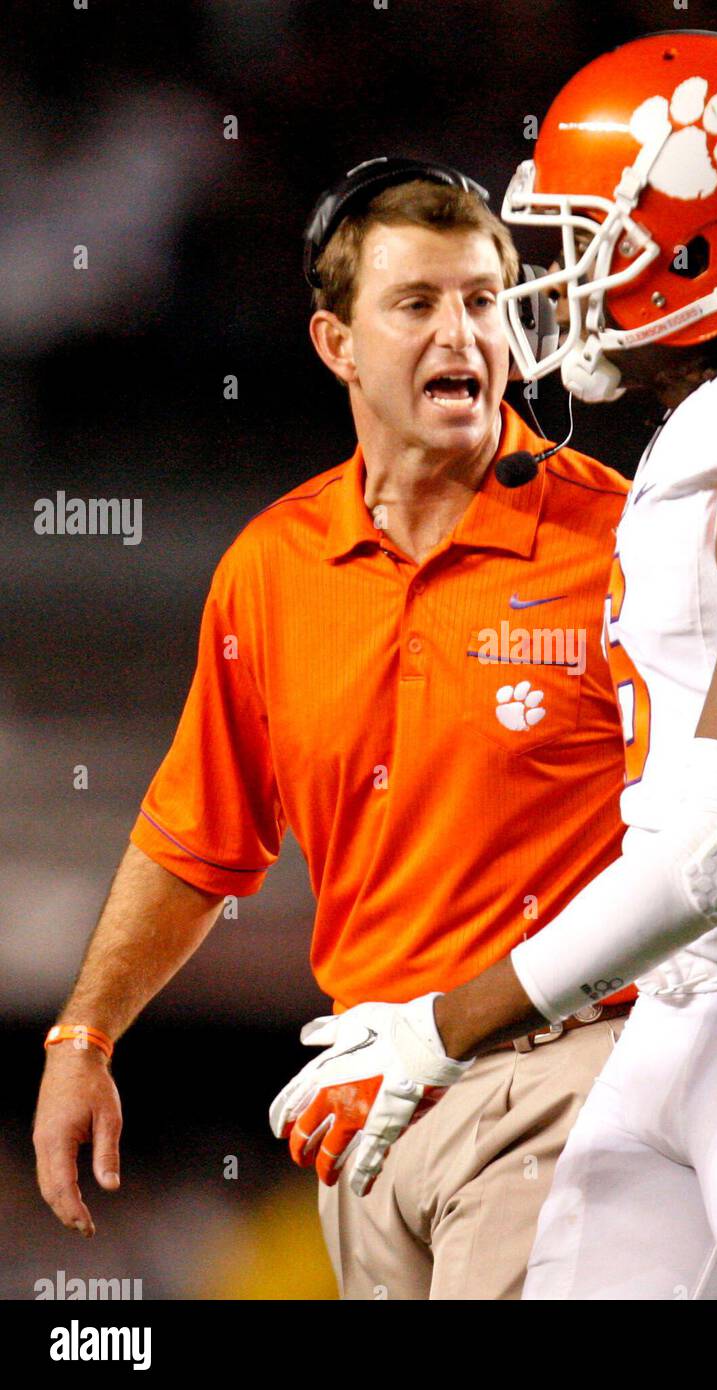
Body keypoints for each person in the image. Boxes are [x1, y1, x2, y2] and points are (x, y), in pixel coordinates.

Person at [269, 35, 717, 1302]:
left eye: (588, 233)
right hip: (687, 1007)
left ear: (699, 245)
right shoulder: (702, 434)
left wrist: (442, 1029)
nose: (552, 279)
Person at [32, 158, 635, 1301]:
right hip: (365, 1099)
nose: (459, 332)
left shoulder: (619, 545)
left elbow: (711, 839)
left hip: (566, 1074)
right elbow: (196, 843)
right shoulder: (271, 567)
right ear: (336, 344)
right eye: (416, 304)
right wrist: (85, 1037)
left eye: (481, 300)